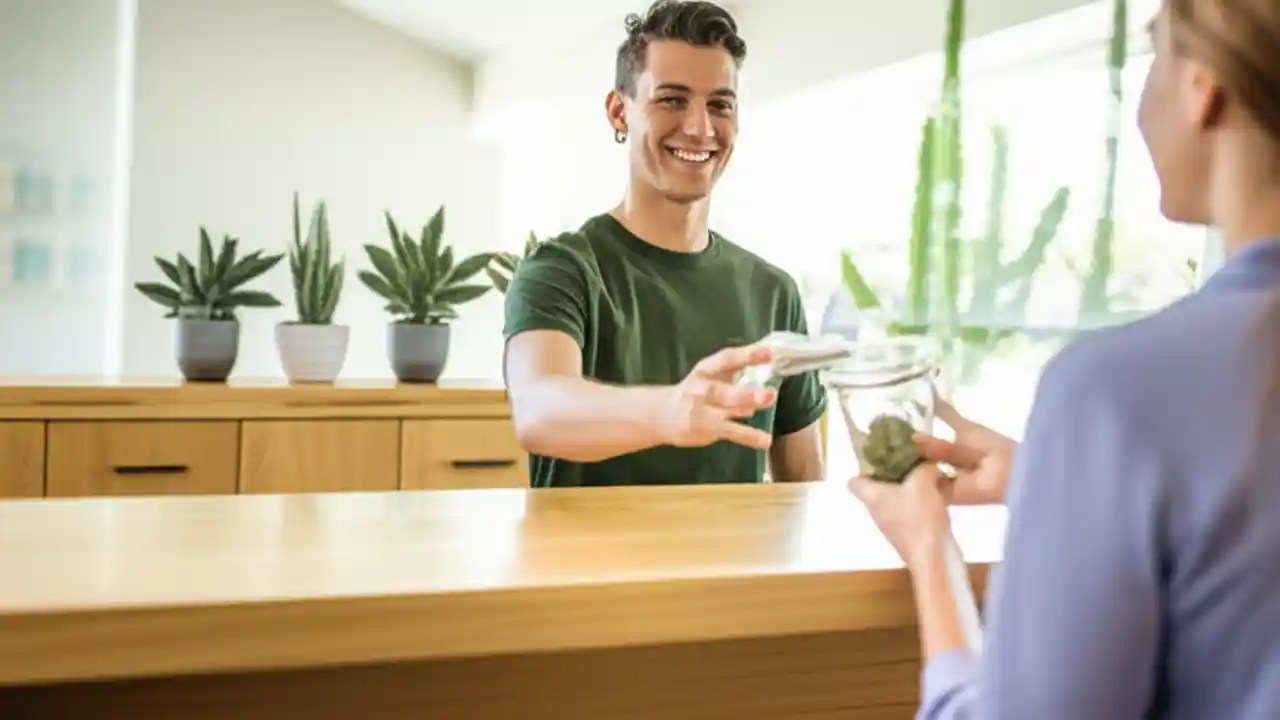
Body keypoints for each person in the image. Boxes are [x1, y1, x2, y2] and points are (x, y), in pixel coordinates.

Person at [849, 0, 1280, 717]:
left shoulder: (1116, 393)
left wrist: (931, 549)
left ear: (1205, 86)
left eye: (1154, 54)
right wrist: (1057, 482)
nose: (1139, 105)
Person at [502, 0, 827, 488]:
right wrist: (669, 410)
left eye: (720, 104)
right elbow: (538, 408)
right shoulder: (562, 271)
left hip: (732, 566)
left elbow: (803, 482)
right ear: (619, 112)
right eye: (672, 99)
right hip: (587, 565)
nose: (700, 127)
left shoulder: (775, 292)